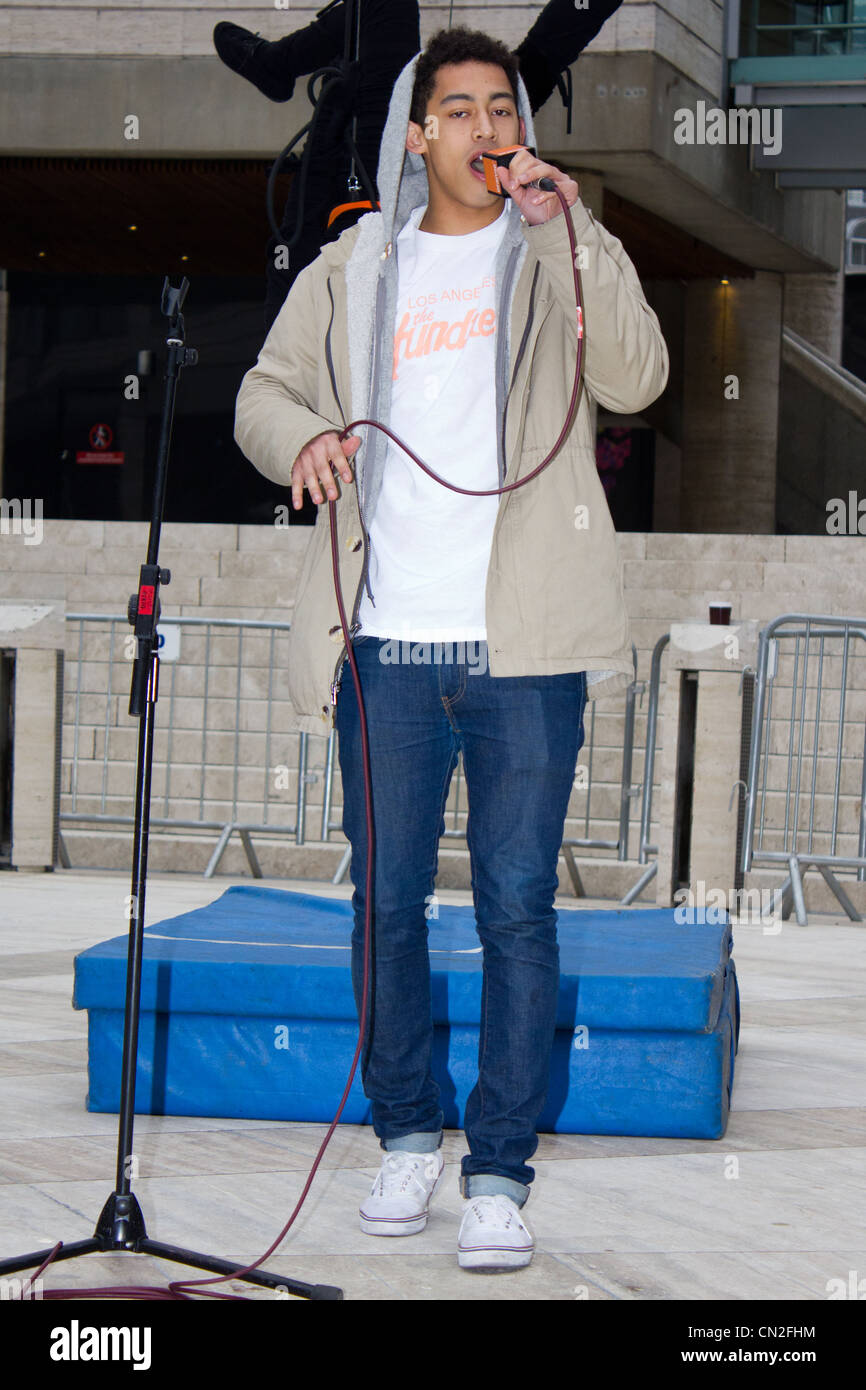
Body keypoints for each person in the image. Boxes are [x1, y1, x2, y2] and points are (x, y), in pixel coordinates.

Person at [234, 25, 669, 1272]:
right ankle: (404, 1139)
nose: (484, 128)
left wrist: (568, 231)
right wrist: (305, 438)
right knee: (384, 905)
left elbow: (635, 378)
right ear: (416, 134)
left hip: (521, 645)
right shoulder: (356, 263)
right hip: (385, 644)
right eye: (459, 109)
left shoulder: (558, 250)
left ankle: (497, 1169)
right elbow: (263, 390)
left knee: (517, 907)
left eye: (502, 108)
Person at [214, 0, 623, 331]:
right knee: (529, 67)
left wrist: (329, 124)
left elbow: (295, 247)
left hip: (380, 184)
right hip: (396, 177)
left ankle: (278, 64)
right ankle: (277, 63)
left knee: (520, 68)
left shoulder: (309, 306)